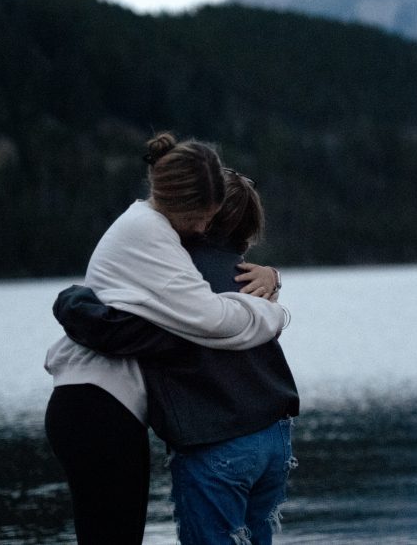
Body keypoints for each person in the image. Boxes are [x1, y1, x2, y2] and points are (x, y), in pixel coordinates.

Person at [44, 132, 290, 545]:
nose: (203, 228)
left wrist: (273, 279)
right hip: (97, 407)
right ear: (180, 205)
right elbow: (210, 320)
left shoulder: (154, 233)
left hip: (104, 406)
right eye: (200, 217)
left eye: (211, 219)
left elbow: (169, 322)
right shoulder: (150, 235)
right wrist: (276, 312)